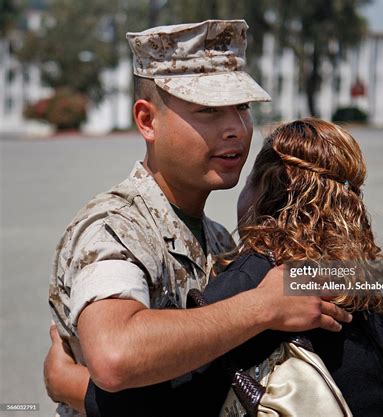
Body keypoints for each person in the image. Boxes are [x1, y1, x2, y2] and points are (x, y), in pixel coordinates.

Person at [47, 20, 352, 417]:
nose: (235, 130)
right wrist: (260, 307)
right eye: (208, 110)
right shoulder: (113, 226)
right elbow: (115, 356)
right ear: (147, 120)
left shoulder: (220, 239)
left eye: (241, 107)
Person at [46, 118, 383, 417]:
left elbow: (153, 402)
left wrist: (65, 383)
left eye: (248, 182)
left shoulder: (256, 277)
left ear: (264, 190)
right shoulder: (358, 281)